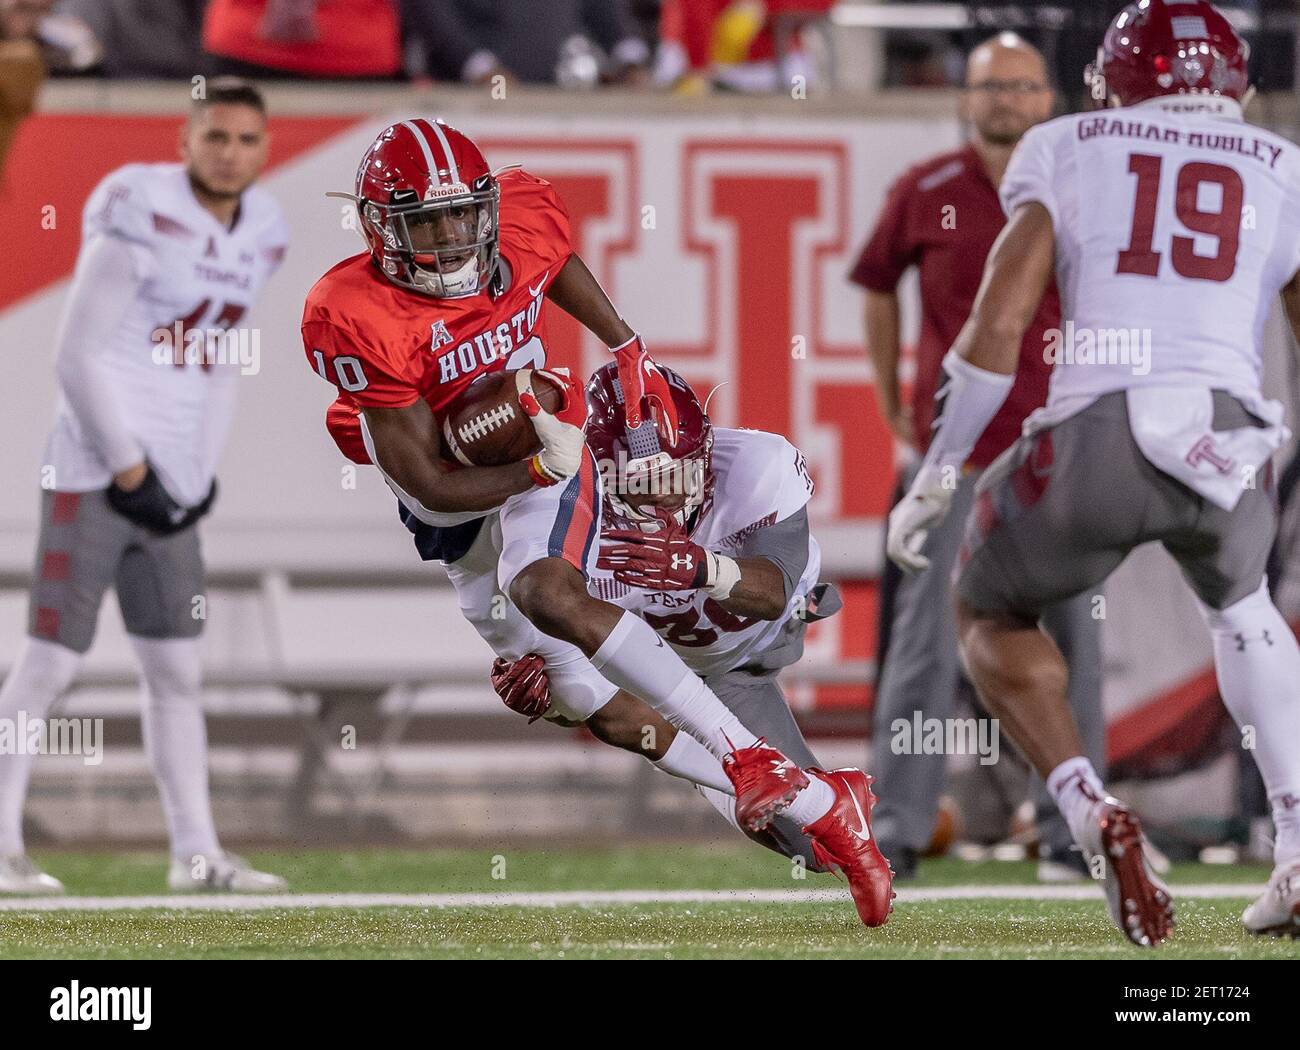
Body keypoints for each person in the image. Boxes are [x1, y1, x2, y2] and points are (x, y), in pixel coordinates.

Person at [301, 118, 893, 927]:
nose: (449, 239)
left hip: (538, 453)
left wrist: (622, 343)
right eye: (425, 223)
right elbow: (431, 486)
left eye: (462, 215)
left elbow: (553, 262)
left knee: (545, 585)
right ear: (380, 229)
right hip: (454, 499)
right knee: (576, 697)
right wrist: (534, 464)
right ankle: (823, 800)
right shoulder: (356, 313)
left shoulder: (523, 225)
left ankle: (756, 759)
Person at [887, 0, 1300, 945]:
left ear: (1114, 78)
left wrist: (940, 469)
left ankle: (1082, 807)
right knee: (1245, 609)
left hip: (1098, 435)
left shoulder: (1068, 143)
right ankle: (1296, 847)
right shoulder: (1283, 165)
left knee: (987, 605)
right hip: (1229, 437)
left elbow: (998, 321)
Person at [0, 80, 289, 895]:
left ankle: (195, 855)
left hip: (170, 489)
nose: (229, 153)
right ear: (185, 140)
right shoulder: (138, 211)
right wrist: (131, 466)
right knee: (51, 662)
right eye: (215, 136)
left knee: (176, 673)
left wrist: (195, 476)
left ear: (264, 149)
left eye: (245, 140)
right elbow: (75, 355)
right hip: (94, 468)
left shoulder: (264, 228)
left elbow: (222, 360)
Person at [850, 32, 1104, 881]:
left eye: (1022, 85)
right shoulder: (927, 190)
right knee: (922, 643)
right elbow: (878, 285)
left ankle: (1078, 832)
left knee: (1075, 642)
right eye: (991, 86)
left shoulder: (1084, 190)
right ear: (965, 97)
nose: (1005, 99)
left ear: (1050, 98)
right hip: (953, 457)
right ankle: (895, 829)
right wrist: (893, 404)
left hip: (1058, 452)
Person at [492, 361, 850, 875]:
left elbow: (773, 591)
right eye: (641, 482)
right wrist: (552, 692)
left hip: (764, 636)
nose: (665, 494)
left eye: (675, 473)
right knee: (816, 843)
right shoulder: (563, 515)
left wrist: (699, 565)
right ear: (600, 471)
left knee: (818, 828)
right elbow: (594, 695)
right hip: (676, 676)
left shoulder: (755, 464)